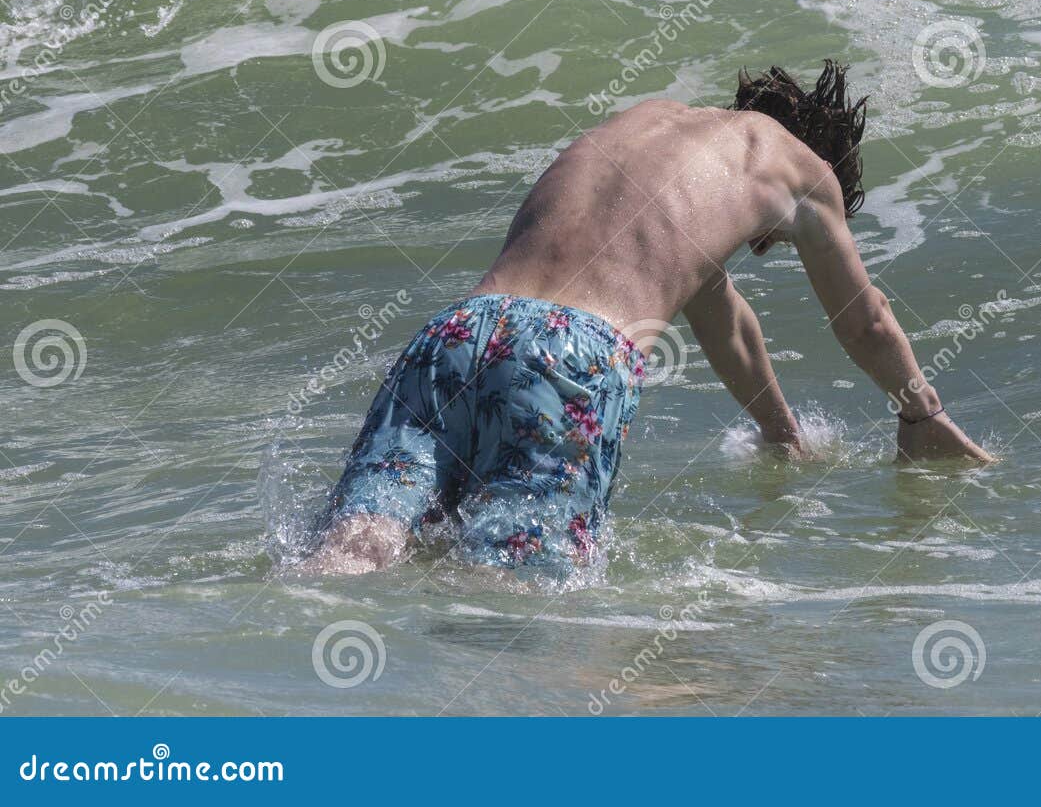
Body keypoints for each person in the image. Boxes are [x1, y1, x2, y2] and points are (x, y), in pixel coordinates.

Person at [304, 61, 992, 577]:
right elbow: (863, 320)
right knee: (509, 606)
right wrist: (918, 414)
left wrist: (781, 433)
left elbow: (724, 320)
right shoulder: (804, 171)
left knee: (348, 560)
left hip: (456, 335)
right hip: (571, 361)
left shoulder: (653, 124)